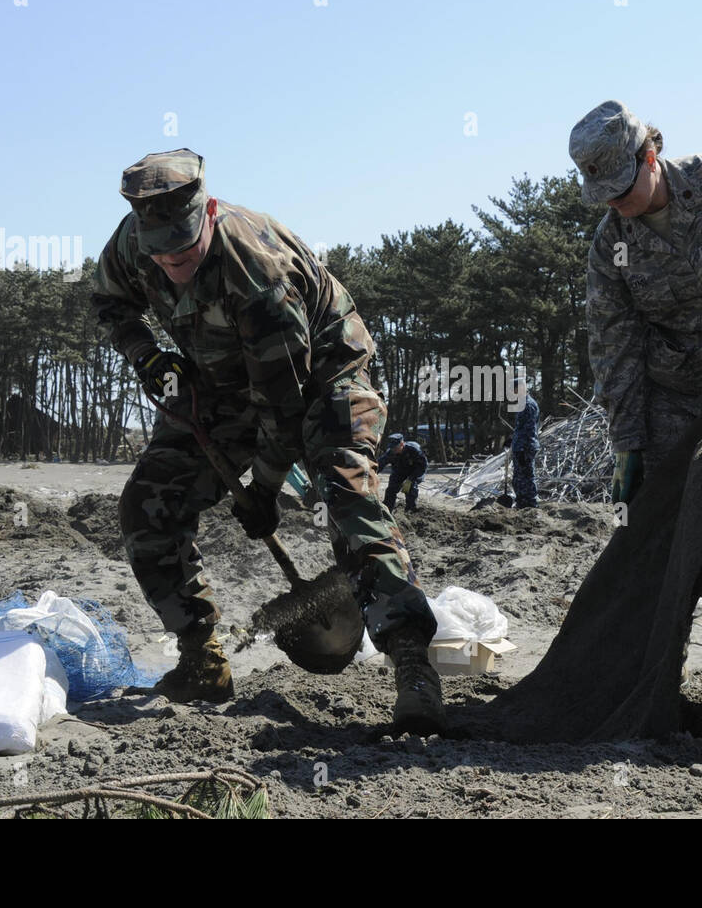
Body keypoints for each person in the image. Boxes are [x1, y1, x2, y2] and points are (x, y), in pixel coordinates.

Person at [91, 149, 443, 732]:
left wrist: (265, 490)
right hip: (220, 383)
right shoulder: (134, 241)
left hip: (325, 376)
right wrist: (146, 353)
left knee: (348, 497)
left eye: (184, 250)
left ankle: (412, 665)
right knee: (148, 504)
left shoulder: (257, 268)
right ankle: (202, 658)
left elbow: (282, 407)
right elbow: (109, 302)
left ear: (204, 216)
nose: (173, 264)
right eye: (161, 253)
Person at [569, 100, 702, 506]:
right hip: (677, 392)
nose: (615, 203)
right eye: (603, 196)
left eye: (622, 189)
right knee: (666, 517)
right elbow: (614, 347)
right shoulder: (612, 247)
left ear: (649, 156)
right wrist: (626, 441)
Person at [509, 378, 540, 509]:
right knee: (518, 478)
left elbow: (528, 429)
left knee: (526, 477)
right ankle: (521, 502)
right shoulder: (522, 404)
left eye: (514, 389)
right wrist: (512, 440)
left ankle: (531, 504)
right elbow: (520, 428)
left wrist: (521, 448)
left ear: (520, 389)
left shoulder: (528, 405)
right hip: (520, 446)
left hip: (525, 447)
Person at [377, 432, 427, 512]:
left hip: (414, 471)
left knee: (409, 487)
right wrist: (372, 474)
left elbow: (422, 466)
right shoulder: (391, 452)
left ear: (402, 444)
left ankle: (410, 510)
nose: (394, 450)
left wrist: (411, 479)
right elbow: (380, 464)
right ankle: (387, 510)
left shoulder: (414, 449)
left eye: (395, 447)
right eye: (392, 447)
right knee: (391, 489)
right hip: (399, 471)